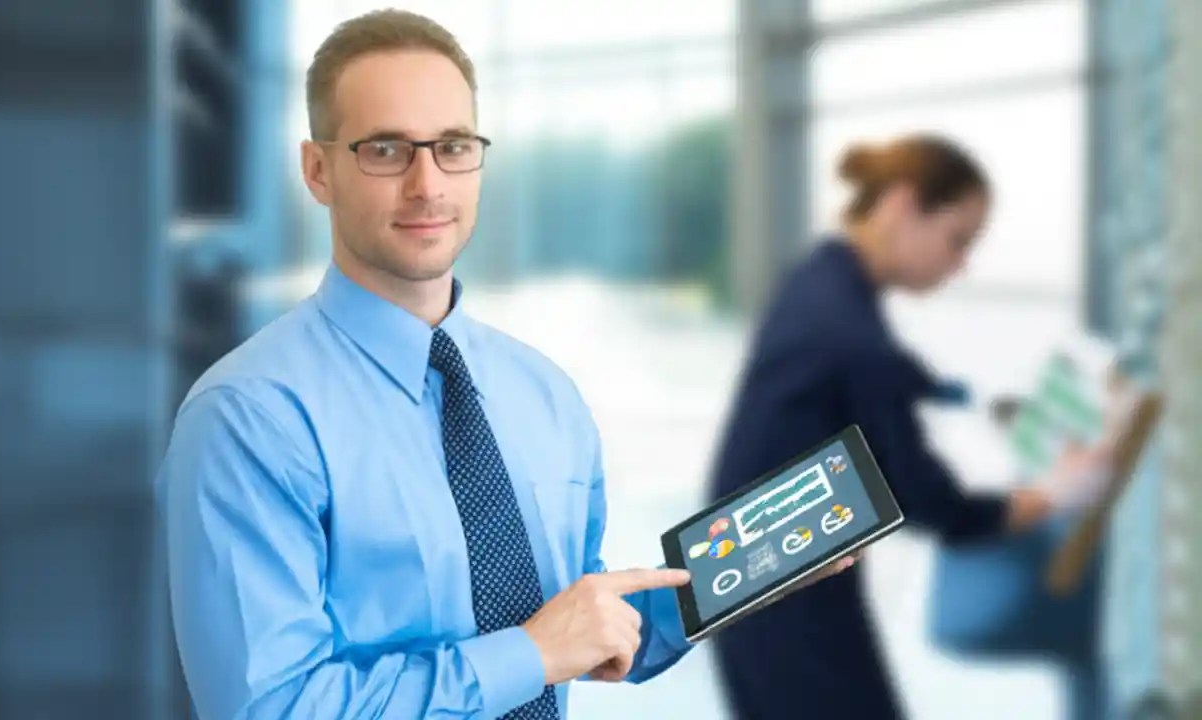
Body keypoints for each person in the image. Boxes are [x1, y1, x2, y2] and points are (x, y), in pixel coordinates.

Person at [158, 10, 848, 719]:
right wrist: (532, 654)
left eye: (452, 146)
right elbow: (270, 709)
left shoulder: (543, 395)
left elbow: (585, 626)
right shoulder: (248, 418)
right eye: (387, 150)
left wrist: (735, 578)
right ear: (318, 170)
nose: (427, 185)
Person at [707, 135, 1112, 720]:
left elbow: (873, 376)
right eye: (957, 239)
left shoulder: (821, 279)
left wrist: (959, 395)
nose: (961, 263)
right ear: (902, 205)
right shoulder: (851, 334)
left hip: (742, 564)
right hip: (782, 585)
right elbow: (925, 498)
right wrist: (1052, 496)